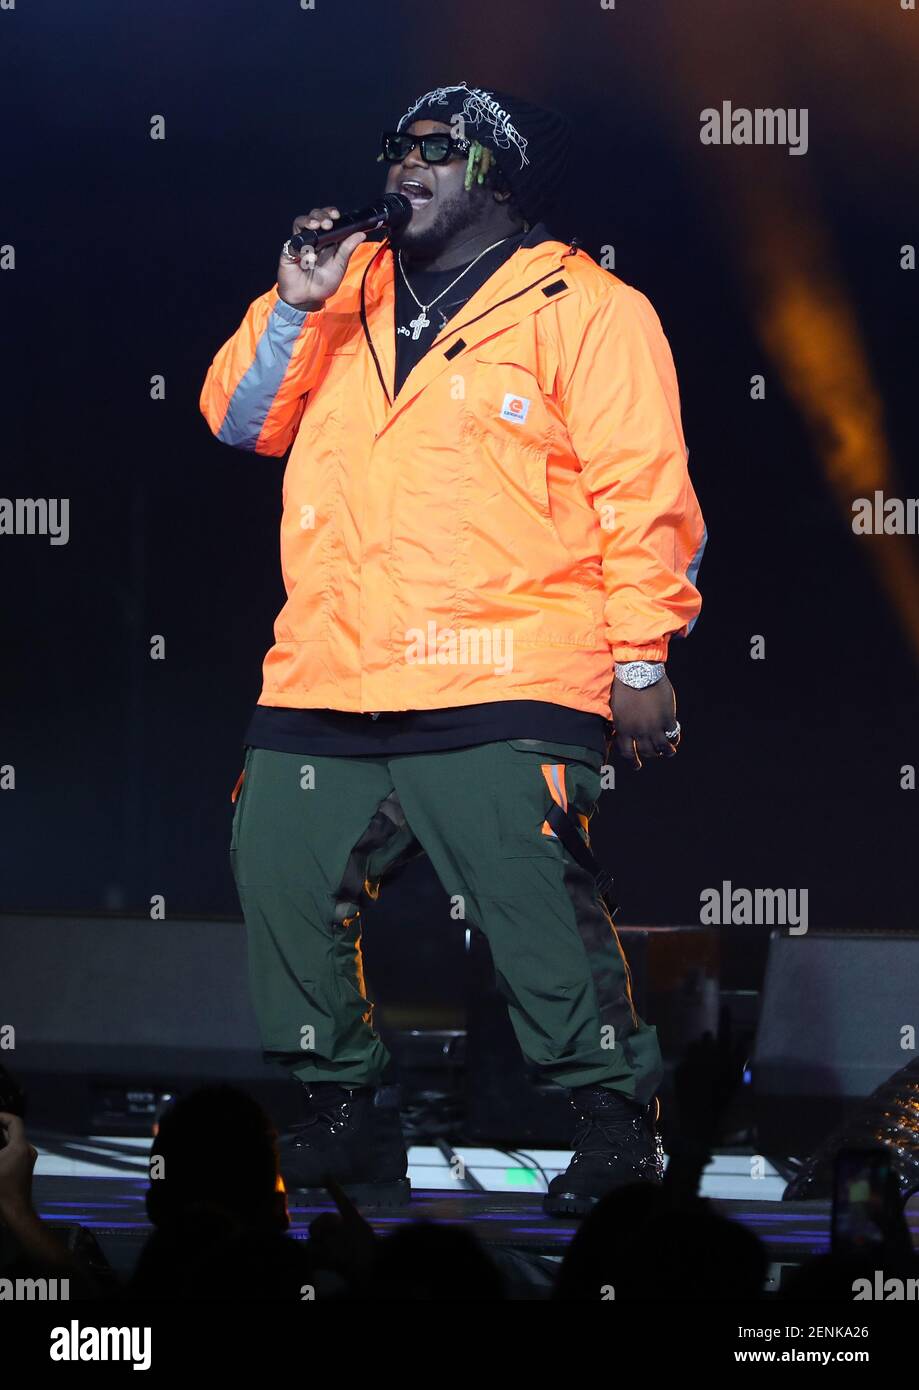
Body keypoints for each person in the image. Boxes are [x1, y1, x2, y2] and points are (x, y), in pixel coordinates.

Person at [200, 82, 706, 1216]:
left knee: (529, 900)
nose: (404, 167)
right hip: (331, 665)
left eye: (436, 150)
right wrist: (293, 306)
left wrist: (639, 659)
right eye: (396, 148)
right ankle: (345, 1108)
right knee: (277, 864)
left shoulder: (587, 304)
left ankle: (614, 1122)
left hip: (504, 666)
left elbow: (644, 493)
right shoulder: (344, 292)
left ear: (494, 171)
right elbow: (240, 420)